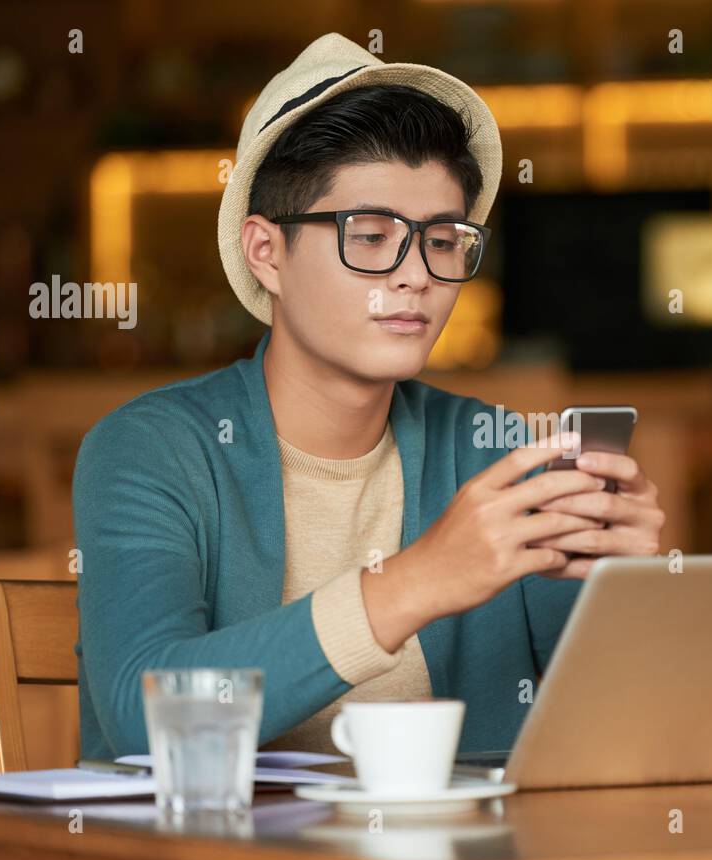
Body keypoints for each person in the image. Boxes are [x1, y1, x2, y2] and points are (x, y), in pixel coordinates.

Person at [73, 34, 664, 760]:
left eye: (444, 240)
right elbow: (144, 712)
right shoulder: (152, 449)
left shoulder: (503, 456)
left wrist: (625, 590)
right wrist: (416, 582)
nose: (416, 274)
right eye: (372, 235)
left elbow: (622, 732)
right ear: (268, 253)